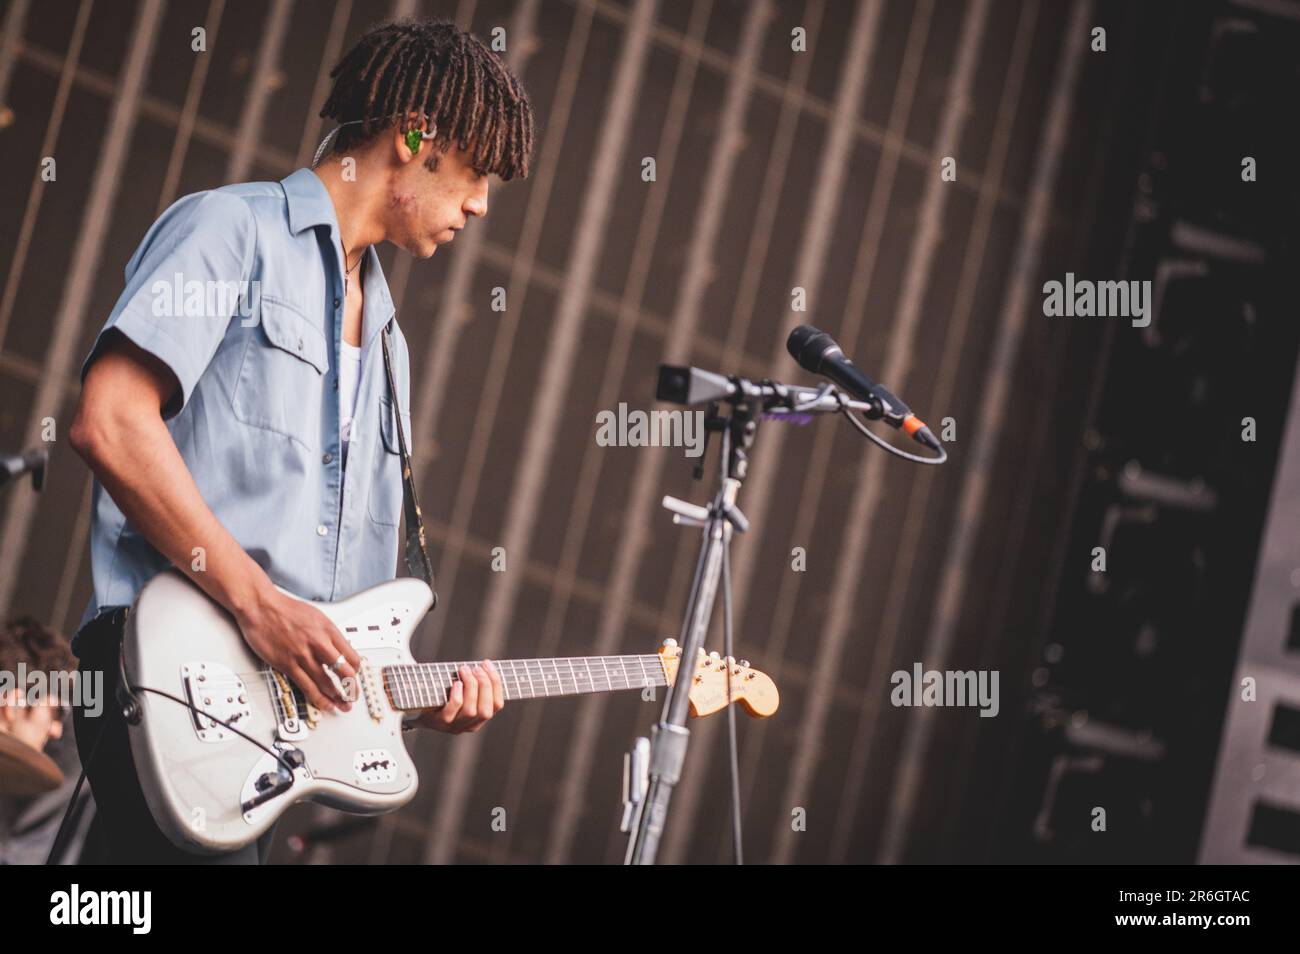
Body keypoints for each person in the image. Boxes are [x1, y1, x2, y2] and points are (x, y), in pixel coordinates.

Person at [66, 18, 535, 863]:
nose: (480, 204)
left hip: (261, 741)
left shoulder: (389, 338)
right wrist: (257, 604)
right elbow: (110, 421)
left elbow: (337, 624)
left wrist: (406, 698)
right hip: (162, 686)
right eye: (475, 172)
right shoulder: (228, 231)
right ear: (413, 137)